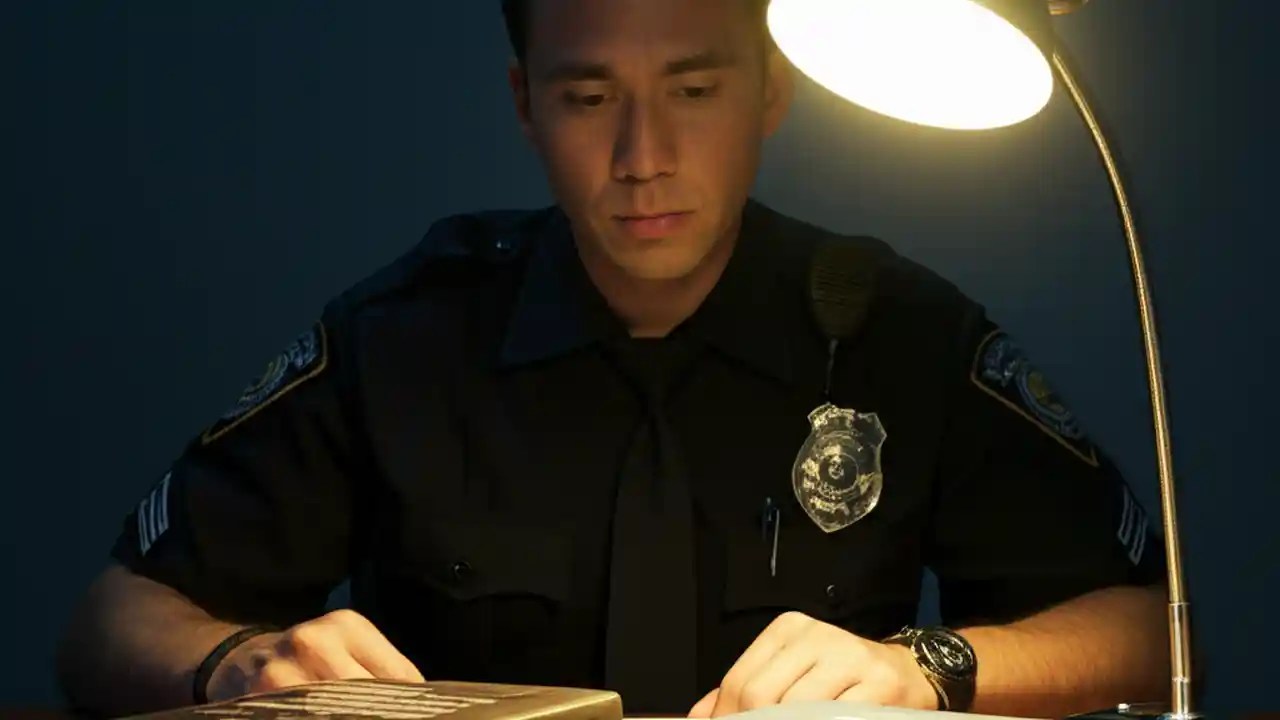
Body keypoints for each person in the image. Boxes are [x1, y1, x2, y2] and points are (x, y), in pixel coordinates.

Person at [56, 0, 1173, 717]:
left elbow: (1150, 635)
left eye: (692, 91)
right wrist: (235, 666)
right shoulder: (406, 333)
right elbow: (110, 624)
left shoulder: (900, 329)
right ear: (526, 106)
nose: (643, 158)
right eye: (588, 98)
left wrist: (924, 672)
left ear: (770, 90)